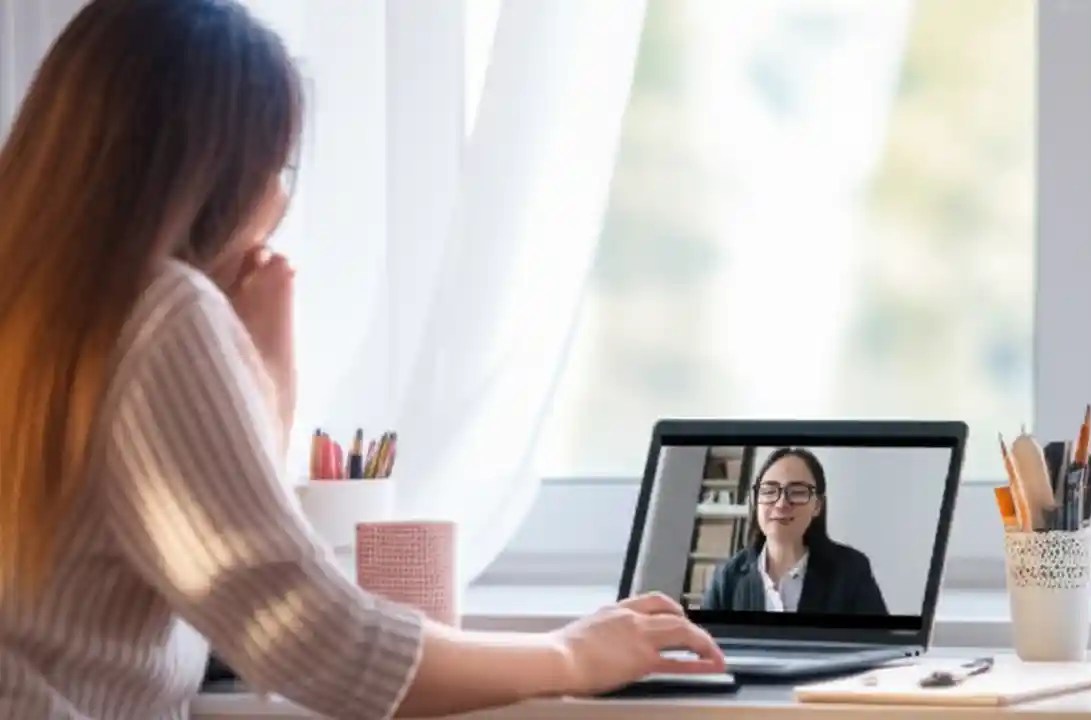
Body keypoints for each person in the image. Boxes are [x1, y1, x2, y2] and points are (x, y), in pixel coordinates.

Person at [0, 1, 723, 718]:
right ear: (219, 174)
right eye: (278, 166)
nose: (279, 198)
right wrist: (573, 654)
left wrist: (260, 376)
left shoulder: (44, 303)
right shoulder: (162, 313)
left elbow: (216, 551)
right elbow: (308, 634)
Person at [700, 448, 888, 615]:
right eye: (770, 490)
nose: (781, 503)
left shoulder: (851, 571)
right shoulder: (727, 577)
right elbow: (706, 648)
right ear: (755, 501)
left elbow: (880, 645)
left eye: (797, 492)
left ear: (817, 506)